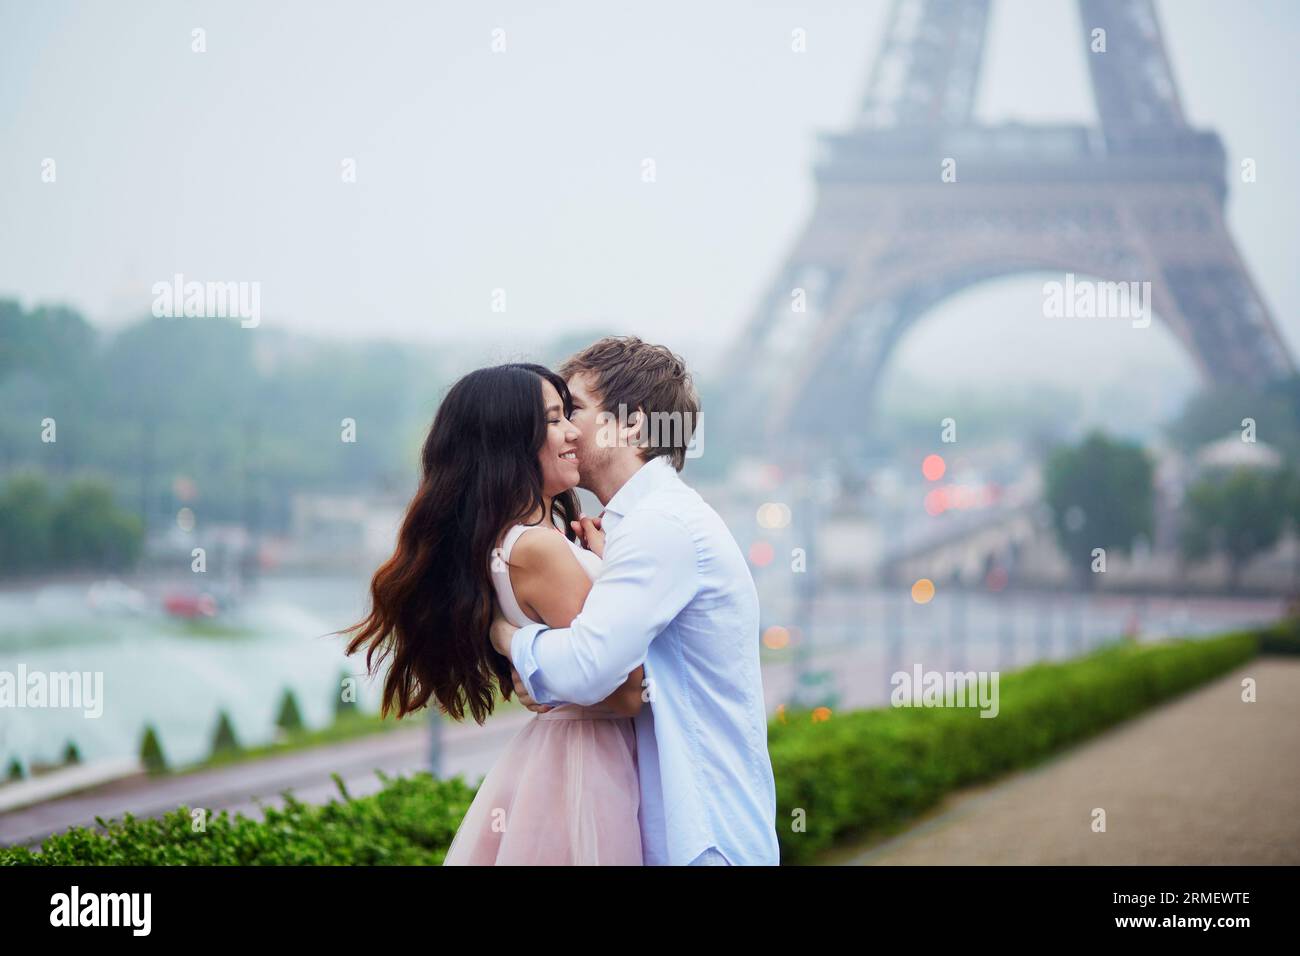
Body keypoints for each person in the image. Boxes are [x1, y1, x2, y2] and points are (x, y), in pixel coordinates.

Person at [338, 362, 645, 865]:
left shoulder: (525, 541)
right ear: (509, 441)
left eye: (567, 414)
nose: (572, 432)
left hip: (571, 752)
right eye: (552, 419)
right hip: (590, 762)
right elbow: (626, 689)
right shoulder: (540, 550)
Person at [491, 337, 780, 865]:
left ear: (631, 425)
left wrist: (513, 641)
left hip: (700, 839)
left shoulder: (658, 527)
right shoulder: (641, 526)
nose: (562, 429)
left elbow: (587, 667)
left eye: (573, 409)